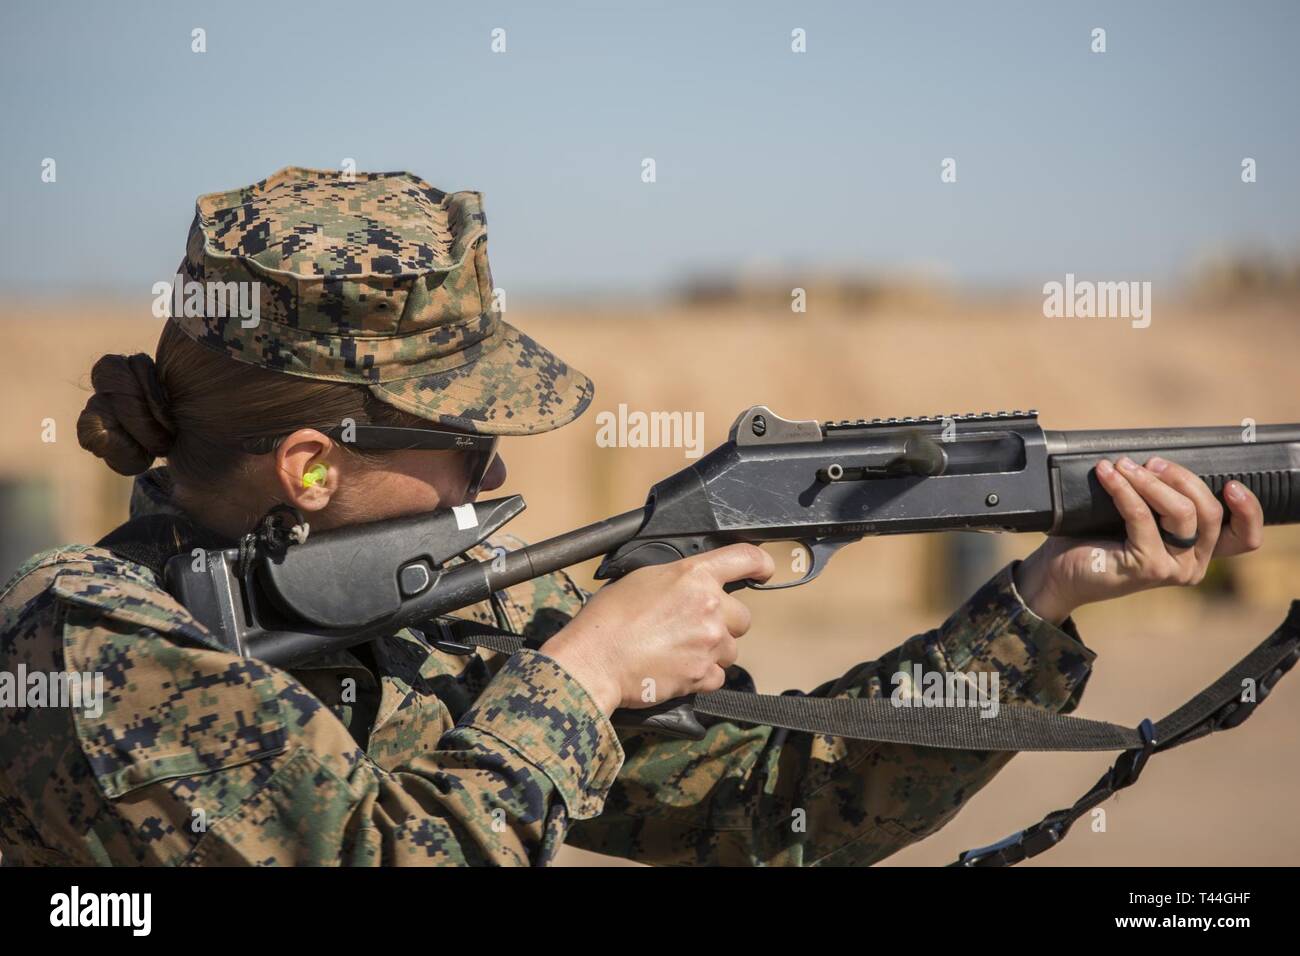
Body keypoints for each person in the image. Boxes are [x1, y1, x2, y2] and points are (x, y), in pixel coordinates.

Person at [0, 166, 1265, 866]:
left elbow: (774, 803)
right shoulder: (87, 646)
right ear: (314, 467)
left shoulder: (425, 612)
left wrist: (1039, 604)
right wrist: (582, 671)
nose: (491, 472)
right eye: (465, 436)